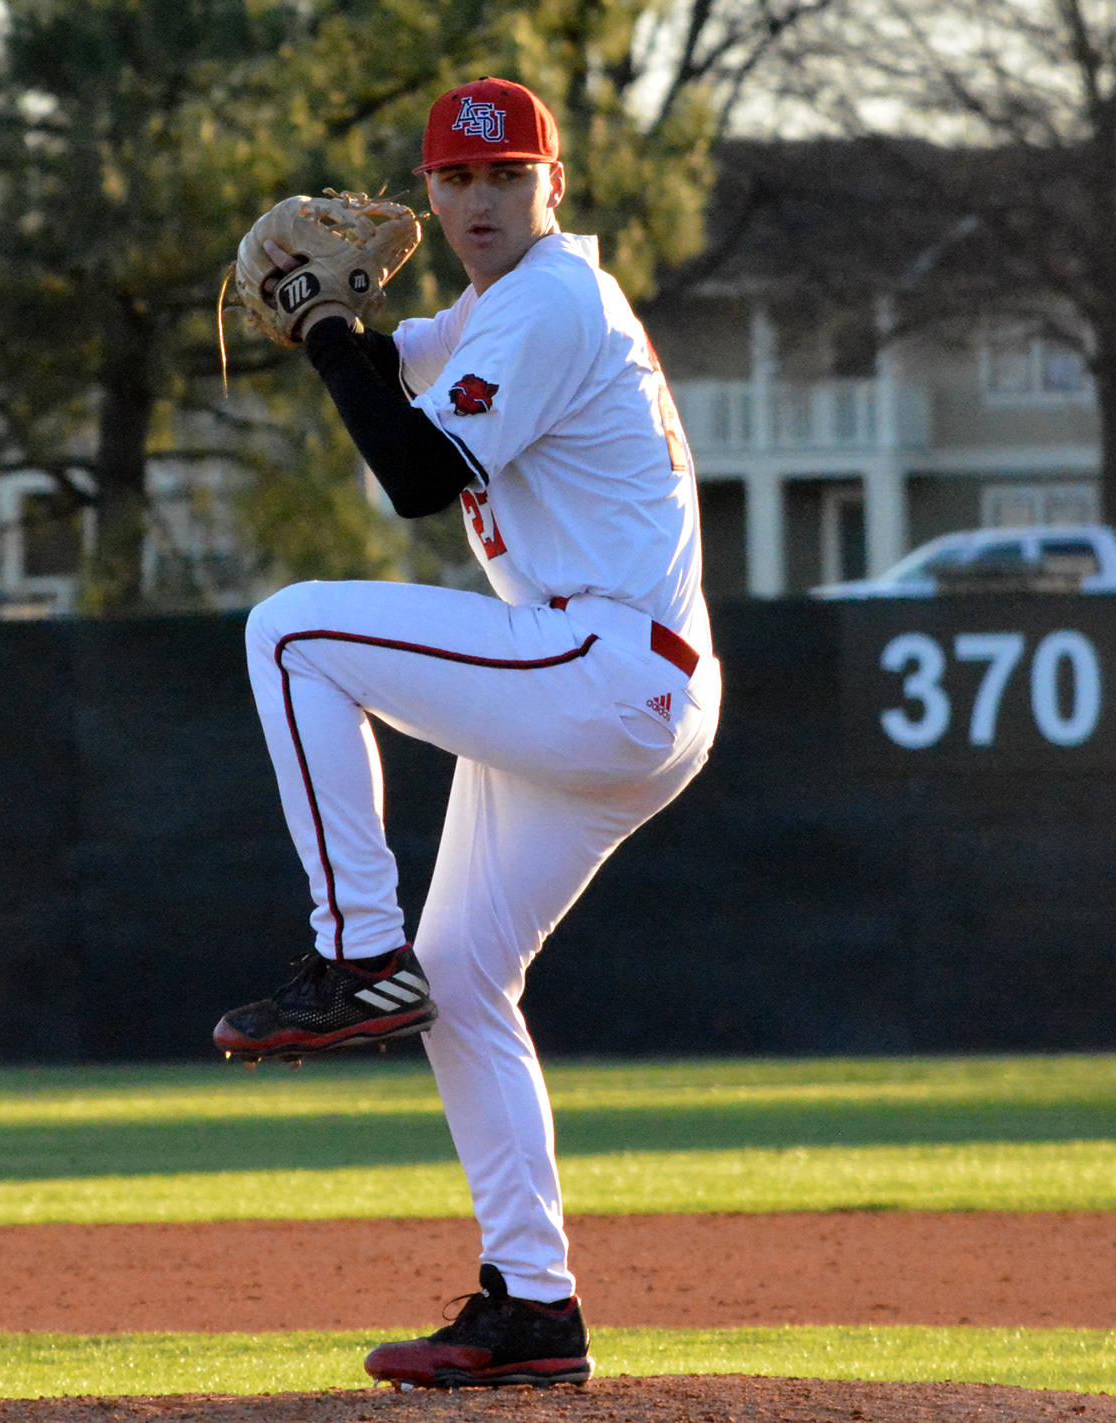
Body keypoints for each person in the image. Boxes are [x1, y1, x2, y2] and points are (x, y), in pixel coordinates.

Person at [211, 77, 721, 1388]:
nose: (481, 199)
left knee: (290, 630)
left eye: (506, 177)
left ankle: (349, 949)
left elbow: (419, 479)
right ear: (429, 198)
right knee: (464, 980)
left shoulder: (553, 296)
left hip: (605, 661)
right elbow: (396, 373)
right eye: (457, 180)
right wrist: (341, 330)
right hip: (619, 681)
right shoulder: (499, 310)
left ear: (553, 183)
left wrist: (325, 323)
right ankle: (535, 1301)